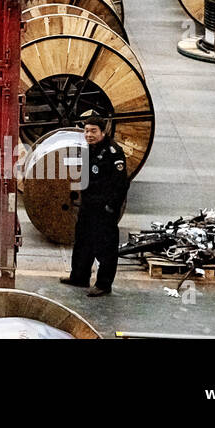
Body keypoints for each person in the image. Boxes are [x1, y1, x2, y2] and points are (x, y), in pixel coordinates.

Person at [61, 109, 128, 297]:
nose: (89, 135)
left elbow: (121, 184)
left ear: (103, 133)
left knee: (105, 246)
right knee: (83, 241)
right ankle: (79, 276)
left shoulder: (113, 153)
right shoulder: (89, 150)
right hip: (88, 205)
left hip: (104, 209)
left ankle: (104, 284)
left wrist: (111, 208)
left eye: (93, 131)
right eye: (86, 131)